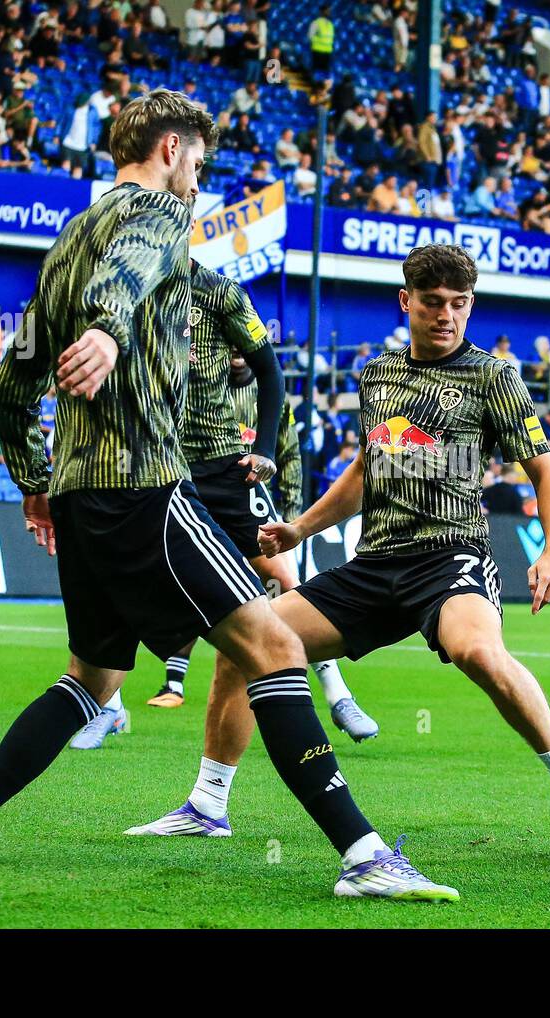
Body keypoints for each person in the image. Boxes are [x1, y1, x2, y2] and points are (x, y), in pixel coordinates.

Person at [0, 90, 455, 901]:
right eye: (198, 162)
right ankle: (365, 856)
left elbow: (16, 374)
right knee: (275, 648)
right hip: (146, 489)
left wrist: (32, 482)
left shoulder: (65, 244)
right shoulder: (160, 214)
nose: (200, 180)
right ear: (170, 149)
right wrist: (103, 328)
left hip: (79, 494)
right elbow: (126, 282)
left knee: (90, 681)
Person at [130, 245, 550, 865]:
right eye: (434, 303)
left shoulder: (494, 378)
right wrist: (301, 528)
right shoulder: (378, 374)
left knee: (478, 653)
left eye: (459, 304)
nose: (447, 316)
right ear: (406, 300)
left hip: (450, 557)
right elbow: (366, 466)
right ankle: (208, 806)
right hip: (375, 565)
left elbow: (546, 475)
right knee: (243, 644)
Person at [136, 262, 378, 746]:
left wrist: (266, 455)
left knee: (282, 578)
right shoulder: (130, 287)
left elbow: (273, 377)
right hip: (157, 466)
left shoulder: (218, 293)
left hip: (225, 467)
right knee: (129, 588)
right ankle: (110, 703)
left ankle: (337, 692)